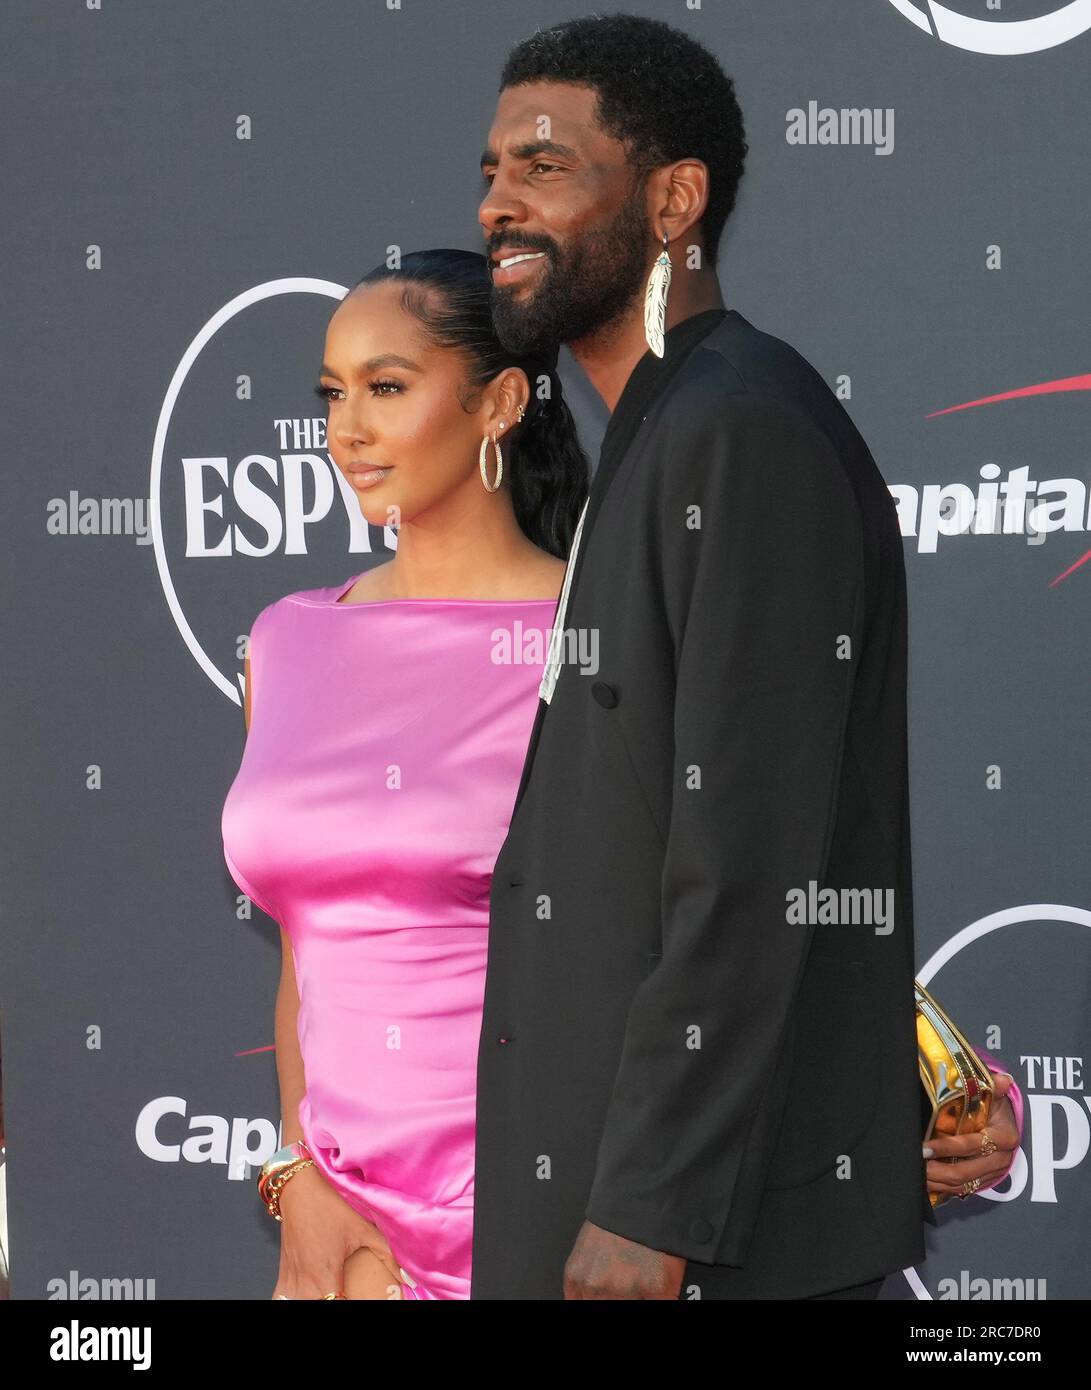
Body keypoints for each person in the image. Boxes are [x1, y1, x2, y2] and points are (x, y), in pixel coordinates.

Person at [470, 13, 1023, 1301]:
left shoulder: (739, 434)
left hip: (703, 1248)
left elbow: (748, 861)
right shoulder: (659, 435)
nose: (497, 204)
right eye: (489, 172)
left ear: (673, 200)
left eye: (542, 167)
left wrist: (646, 1207)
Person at [221, 248, 589, 1298]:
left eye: (387, 386)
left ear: (500, 402)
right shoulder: (287, 640)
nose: (348, 426)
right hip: (344, 1243)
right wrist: (299, 1176)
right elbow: (306, 950)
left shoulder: (593, 635)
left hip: (541, 1223)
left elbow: (711, 912)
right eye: (333, 394)